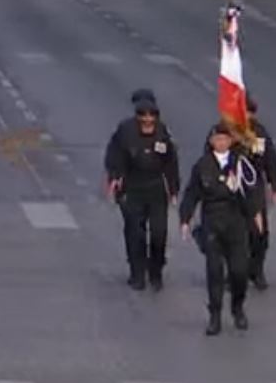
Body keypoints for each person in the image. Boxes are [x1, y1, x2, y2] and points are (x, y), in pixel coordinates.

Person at [180, 123, 262, 335]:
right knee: (215, 272)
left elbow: (252, 190)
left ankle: (237, 307)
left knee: (239, 271)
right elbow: (192, 194)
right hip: (213, 223)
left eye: (225, 139)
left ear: (231, 141)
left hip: (236, 222)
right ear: (211, 142)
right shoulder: (202, 165)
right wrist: (185, 219)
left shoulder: (241, 164)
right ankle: (214, 315)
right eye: (217, 139)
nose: (221, 143)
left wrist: (256, 214)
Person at [104, 89, 179, 290]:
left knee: (158, 233)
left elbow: (171, 163)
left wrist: (173, 189)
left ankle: (155, 272)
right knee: (135, 233)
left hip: (155, 189)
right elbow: (114, 156)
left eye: (151, 115)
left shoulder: (163, 133)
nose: (147, 120)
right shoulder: (125, 131)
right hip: (132, 187)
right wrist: (114, 178)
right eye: (143, 115)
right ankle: (137, 273)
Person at [243, 98, 276, 289]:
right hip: (230, 188)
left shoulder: (260, 133)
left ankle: (256, 269)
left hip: (254, 188)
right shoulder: (223, 131)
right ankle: (235, 272)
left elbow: (270, 160)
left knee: (260, 232)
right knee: (235, 234)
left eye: (249, 112)